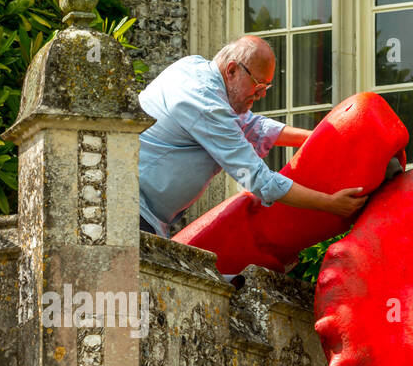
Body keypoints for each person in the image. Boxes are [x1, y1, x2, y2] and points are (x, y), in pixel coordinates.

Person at [137, 36, 370, 237]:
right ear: (232, 70)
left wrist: (325, 139)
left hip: (143, 212)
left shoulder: (194, 68)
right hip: (135, 212)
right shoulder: (204, 104)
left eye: (265, 89)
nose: (260, 96)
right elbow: (257, 179)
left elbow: (252, 126)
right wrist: (330, 203)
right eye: (258, 86)